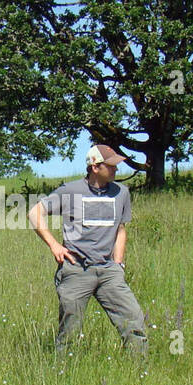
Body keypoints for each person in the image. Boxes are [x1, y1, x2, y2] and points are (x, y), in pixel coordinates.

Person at [28, 145, 148, 354]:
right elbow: (35, 213)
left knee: (133, 320)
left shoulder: (121, 193)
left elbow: (121, 229)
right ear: (95, 167)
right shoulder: (71, 190)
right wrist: (54, 245)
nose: (116, 170)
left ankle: (141, 371)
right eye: (111, 166)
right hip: (76, 269)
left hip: (109, 271)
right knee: (70, 329)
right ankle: (63, 373)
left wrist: (118, 264)